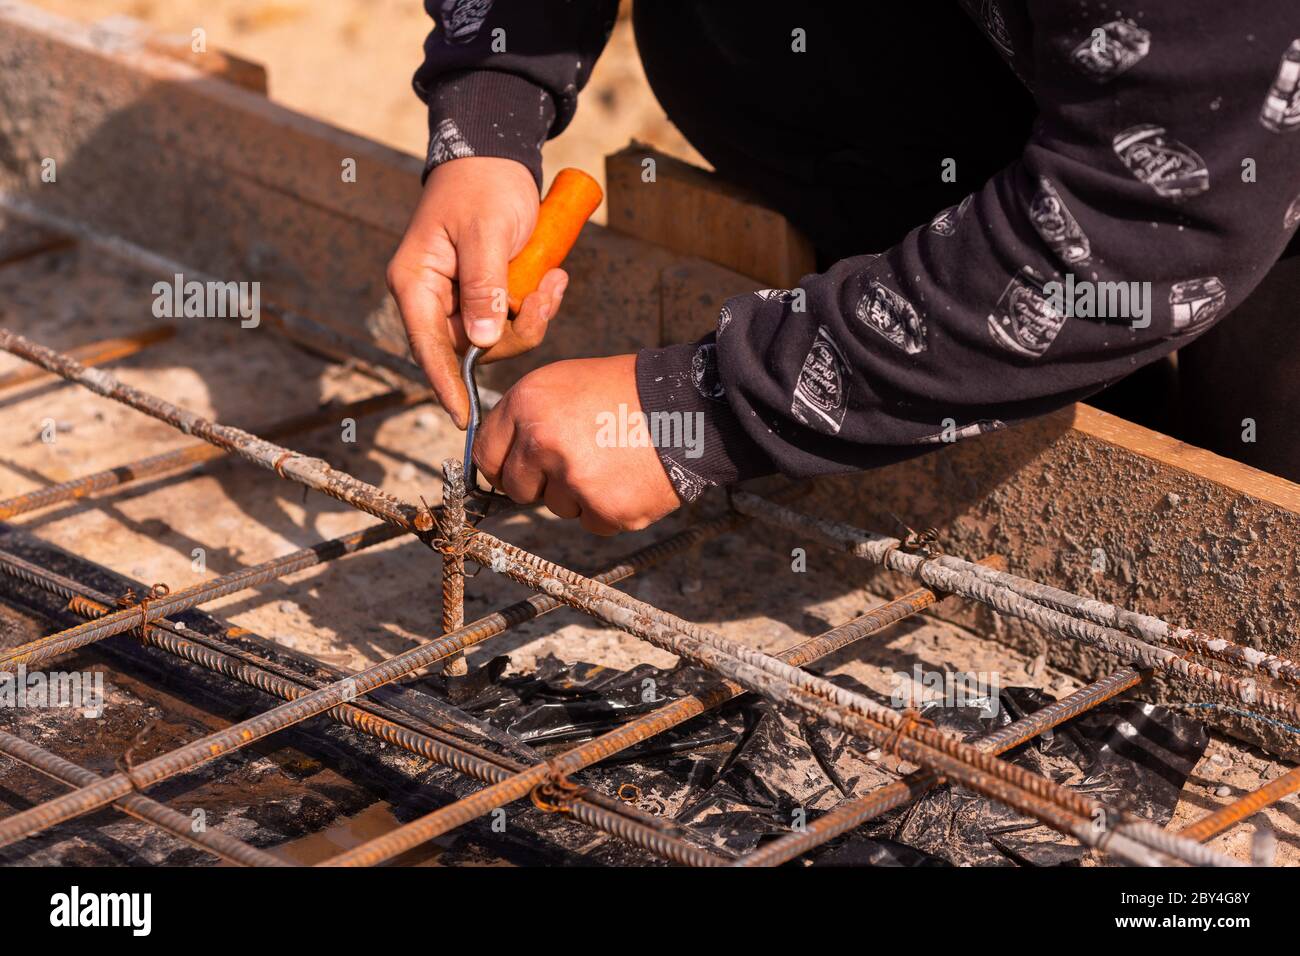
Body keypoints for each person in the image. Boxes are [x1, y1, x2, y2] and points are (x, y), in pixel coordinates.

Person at [386, 1, 1300, 535]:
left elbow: (1164, 209)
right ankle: (1000, 363)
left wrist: (704, 405)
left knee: (1263, 465)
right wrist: (490, 109)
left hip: (1244, 140)